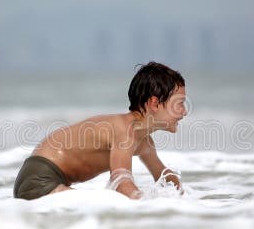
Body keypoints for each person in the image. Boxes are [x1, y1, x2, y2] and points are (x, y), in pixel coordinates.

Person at [13, 61, 187, 200]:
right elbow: (120, 182)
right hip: (39, 178)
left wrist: (183, 198)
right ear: (154, 104)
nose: (184, 111)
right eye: (179, 104)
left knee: (99, 207)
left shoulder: (145, 142)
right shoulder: (125, 131)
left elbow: (163, 176)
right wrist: (145, 205)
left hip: (51, 179)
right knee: (99, 205)